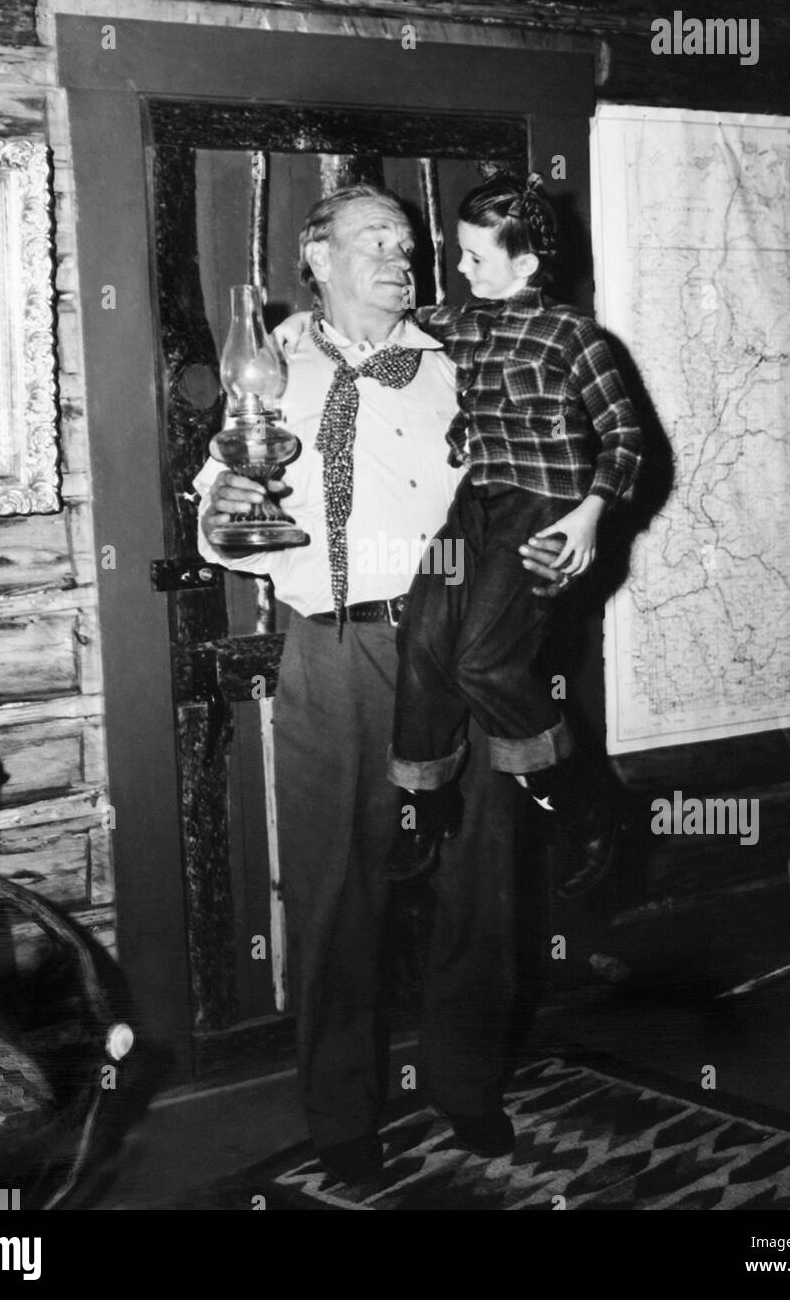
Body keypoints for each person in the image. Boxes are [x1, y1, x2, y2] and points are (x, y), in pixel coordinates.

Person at [195, 184, 570, 1195]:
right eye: (369, 240)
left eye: (406, 242)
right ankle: (340, 1112)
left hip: (461, 646)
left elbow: (545, 473)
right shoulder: (266, 368)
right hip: (337, 651)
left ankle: (466, 1082)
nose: (397, 255)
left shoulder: (468, 357)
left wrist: (561, 543)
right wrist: (230, 513)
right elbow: (215, 523)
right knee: (335, 895)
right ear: (313, 260)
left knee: (480, 884)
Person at [381, 173, 642, 891]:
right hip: (480, 501)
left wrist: (590, 514)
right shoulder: (459, 323)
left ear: (525, 264)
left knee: (485, 665)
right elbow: (382, 326)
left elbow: (626, 437)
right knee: (424, 638)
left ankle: (583, 801)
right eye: (460, 255)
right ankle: (424, 802)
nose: (461, 270)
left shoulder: (574, 334)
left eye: (475, 258)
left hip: (545, 507)